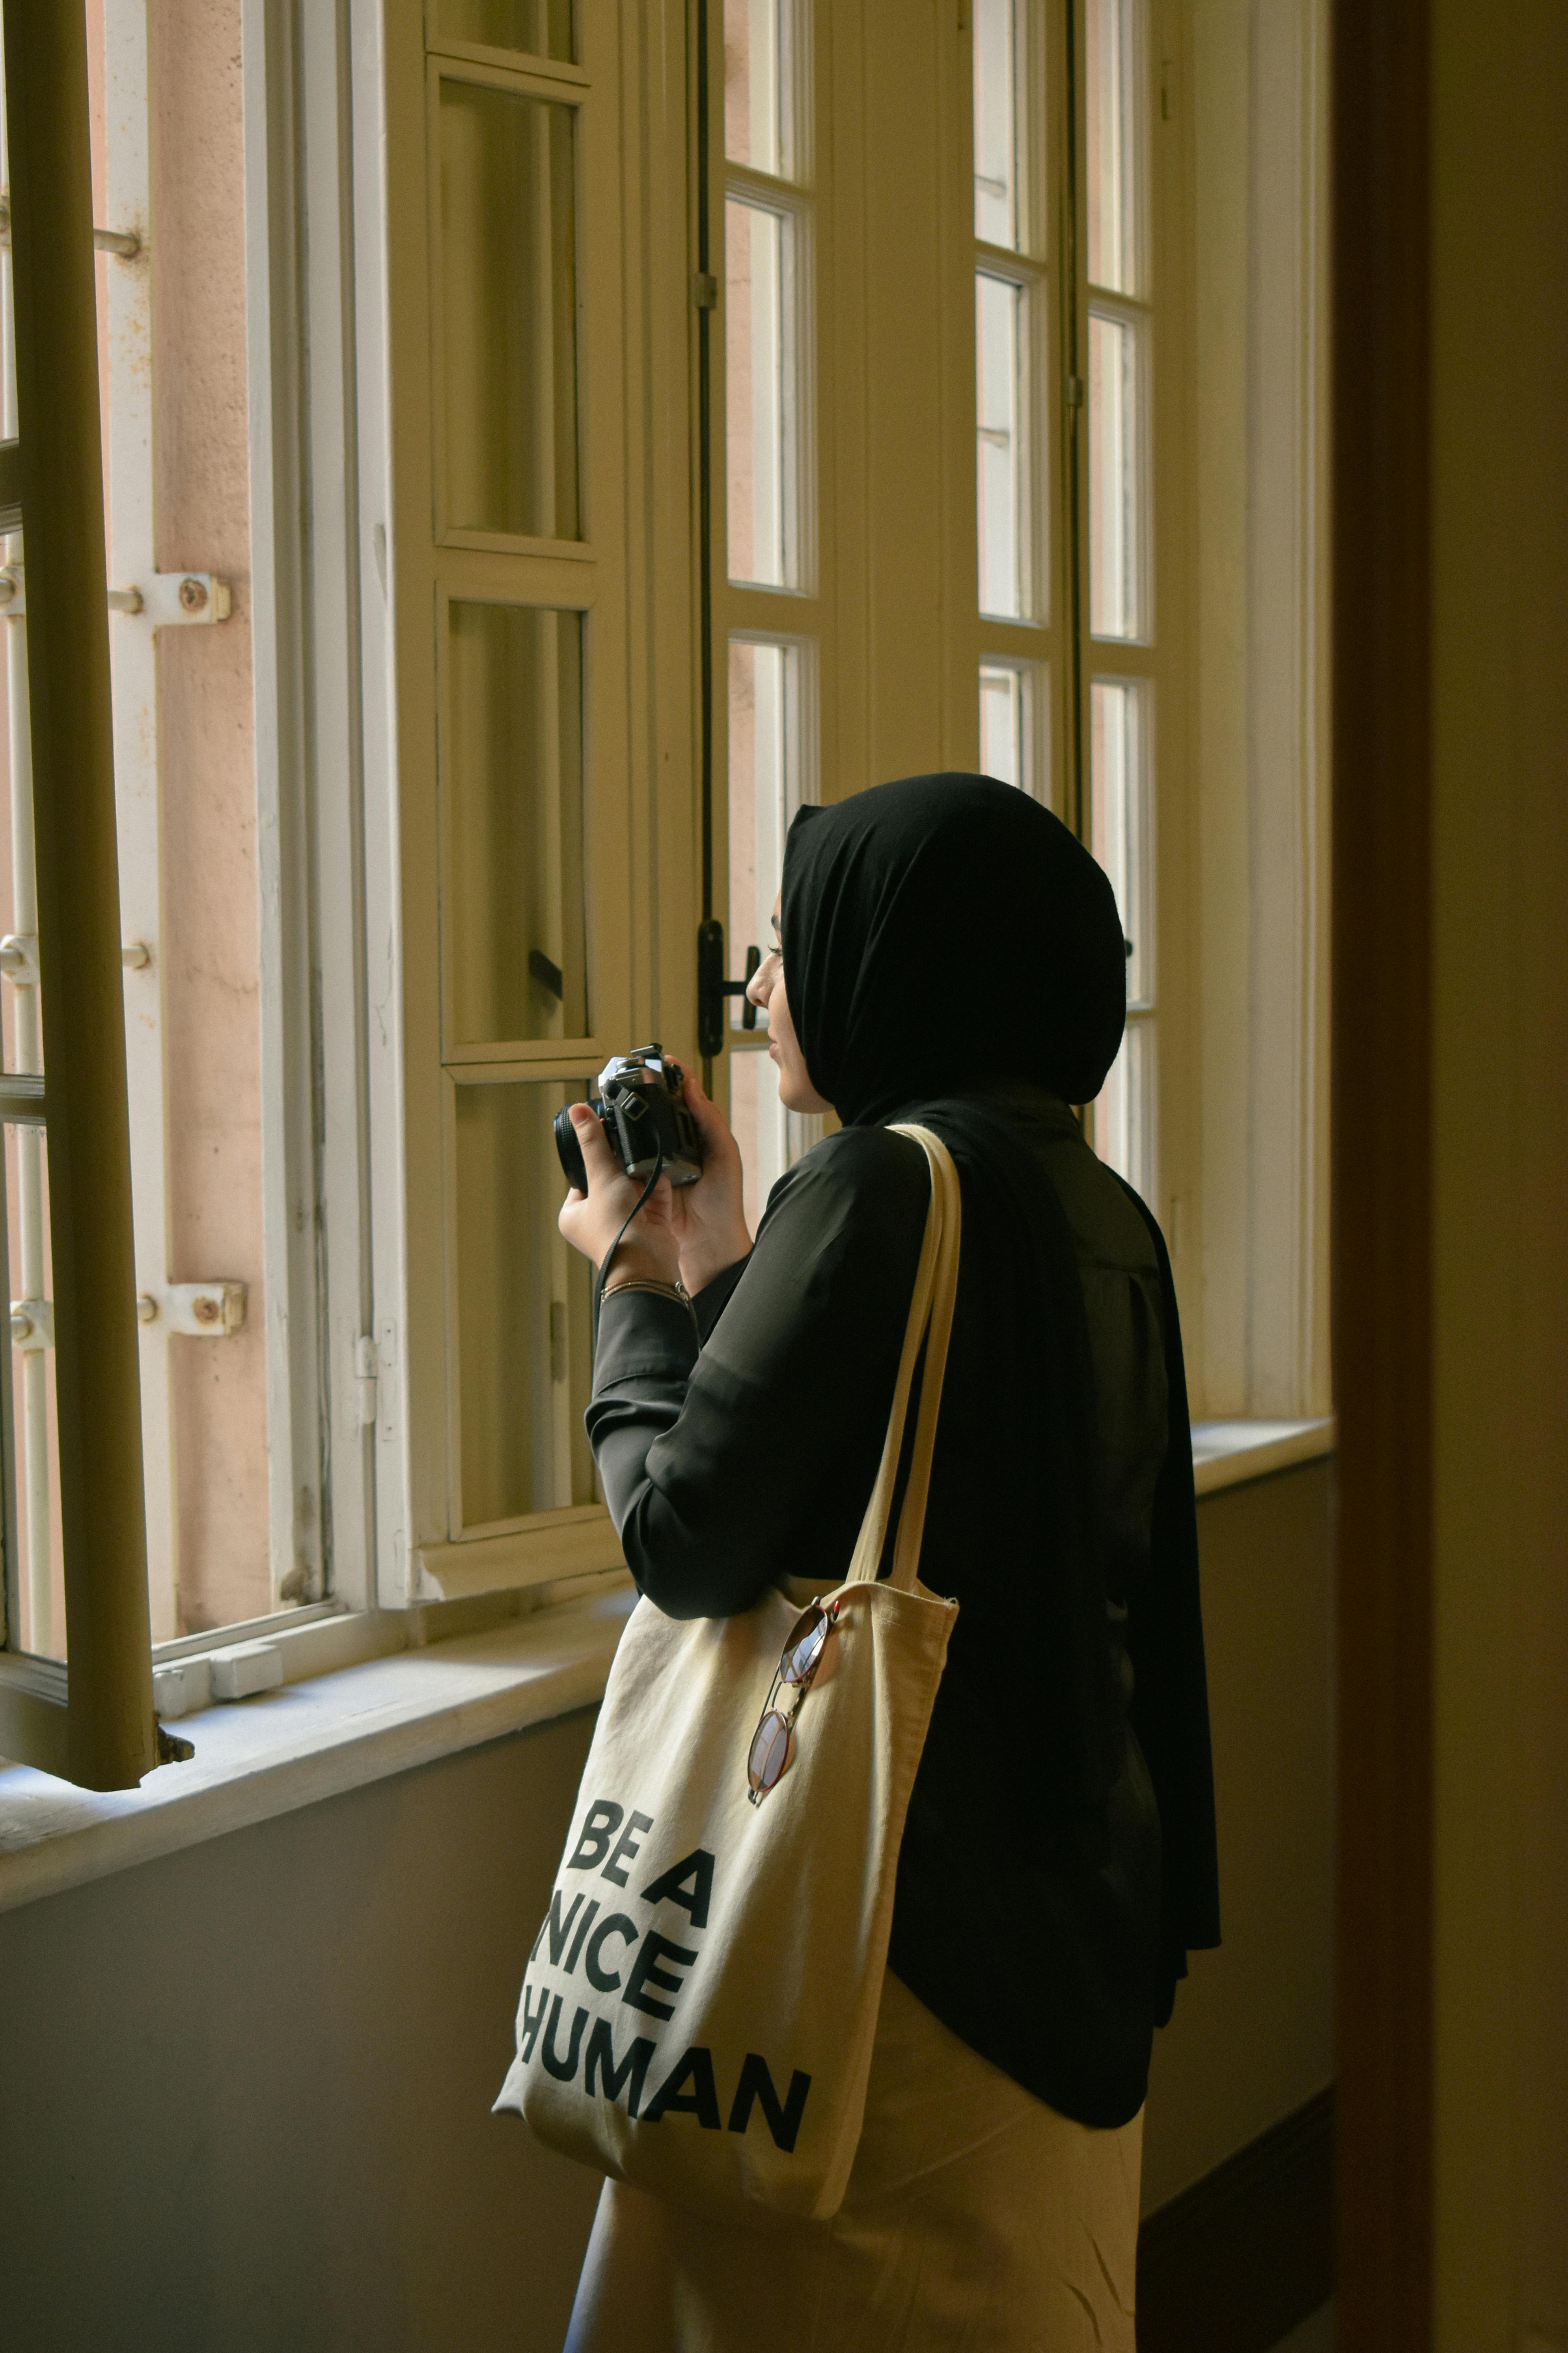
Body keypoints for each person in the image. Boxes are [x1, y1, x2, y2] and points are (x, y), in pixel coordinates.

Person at [552, 774, 1219, 2353]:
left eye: (786, 943)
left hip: (877, 1942)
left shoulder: (874, 1186)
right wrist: (733, 1262)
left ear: (897, 955)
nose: (764, 987)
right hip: (1062, 1919)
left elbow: (686, 1535)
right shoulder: (1088, 1201)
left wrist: (636, 1288)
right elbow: (879, 1475)